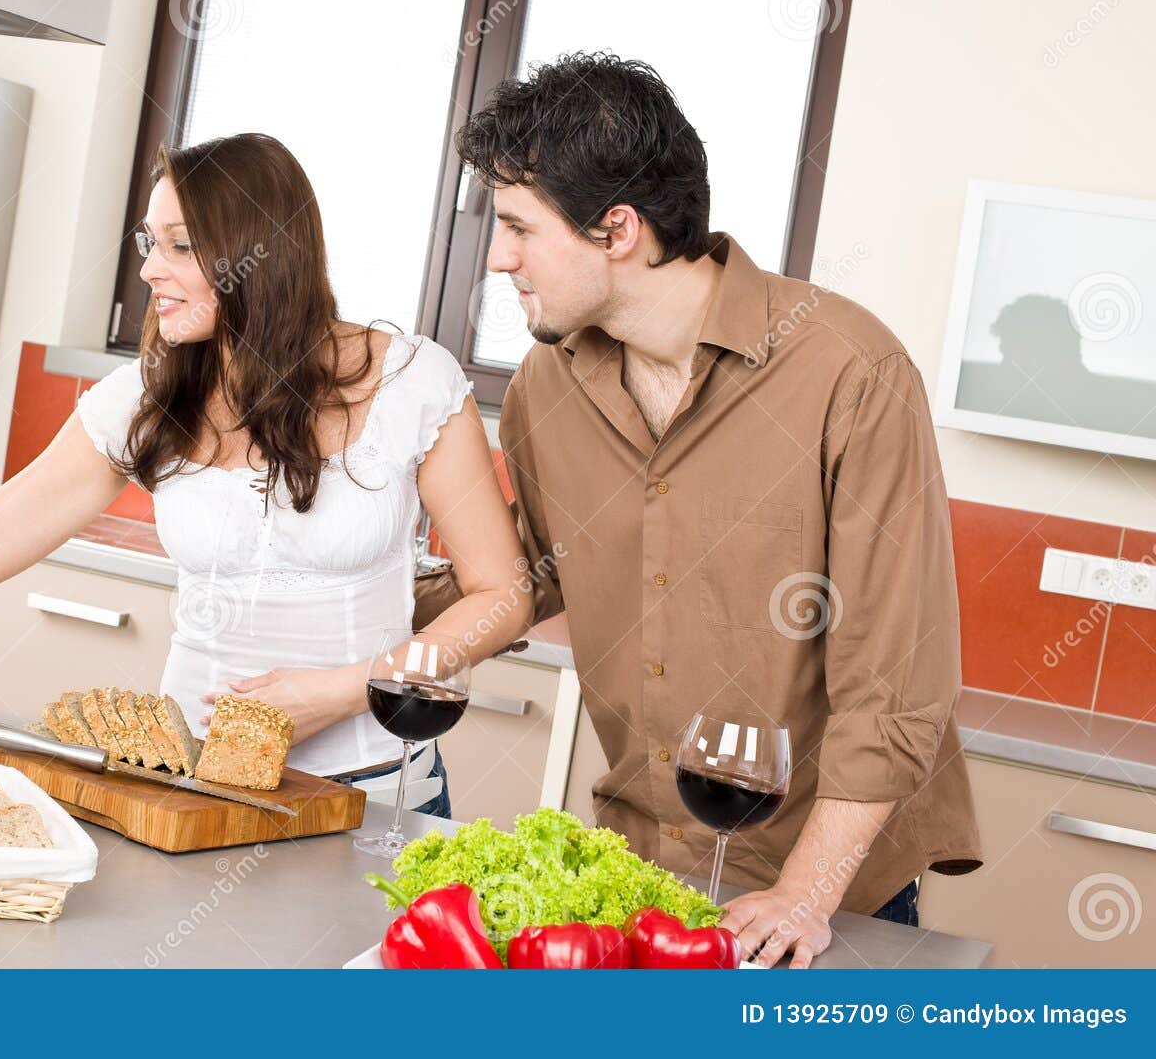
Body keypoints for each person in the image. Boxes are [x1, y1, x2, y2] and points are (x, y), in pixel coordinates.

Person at [0, 132, 530, 815]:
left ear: (261, 255)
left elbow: (501, 592)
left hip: (371, 784)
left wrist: (340, 692)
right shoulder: (146, 397)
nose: (149, 269)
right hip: (190, 783)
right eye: (148, 243)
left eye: (180, 247)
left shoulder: (414, 381)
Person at [416, 53, 982, 964]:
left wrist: (802, 895)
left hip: (820, 891)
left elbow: (899, 688)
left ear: (618, 229)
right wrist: (356, 580)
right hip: (643, 864)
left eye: (518, 226)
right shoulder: (546, 384)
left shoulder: (850, 373)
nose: (497, 256)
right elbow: (535, 572)